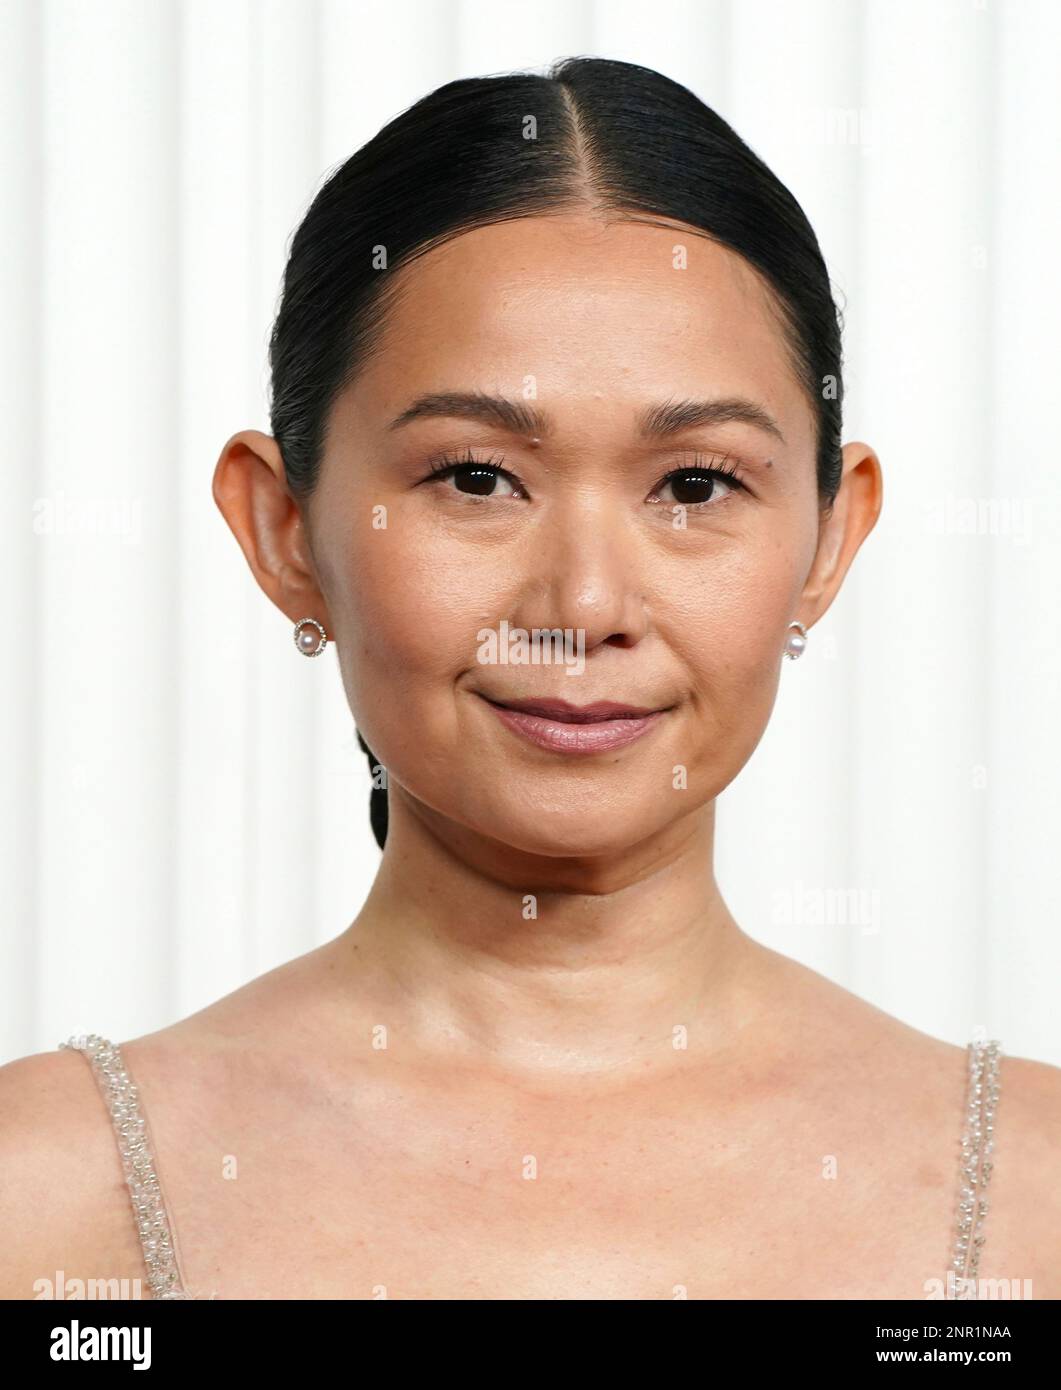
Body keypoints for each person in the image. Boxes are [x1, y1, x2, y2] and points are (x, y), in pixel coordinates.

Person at [2, 56, 1058, 1302]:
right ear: (285, 528)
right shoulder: (48, 1196)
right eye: (475, 477)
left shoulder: (1032, 1199)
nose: (586, 608)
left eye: (694, 485)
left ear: (827, 539)